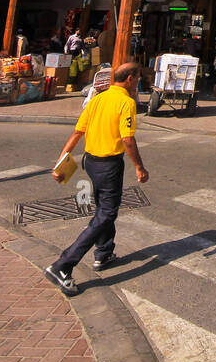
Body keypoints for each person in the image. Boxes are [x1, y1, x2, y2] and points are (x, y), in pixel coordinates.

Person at [44, 63, 149, 296]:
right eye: (138, 79)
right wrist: (139, 167)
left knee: (104, 208)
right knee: (107, 213)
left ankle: (104, 252)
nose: (138, 84)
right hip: (109, 164)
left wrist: (60, 162)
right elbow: (128, 139)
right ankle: (63, 265)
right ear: (130, 79)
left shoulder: (98, 98)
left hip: (90, 162)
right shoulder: (127, 102)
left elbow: (77, 132)